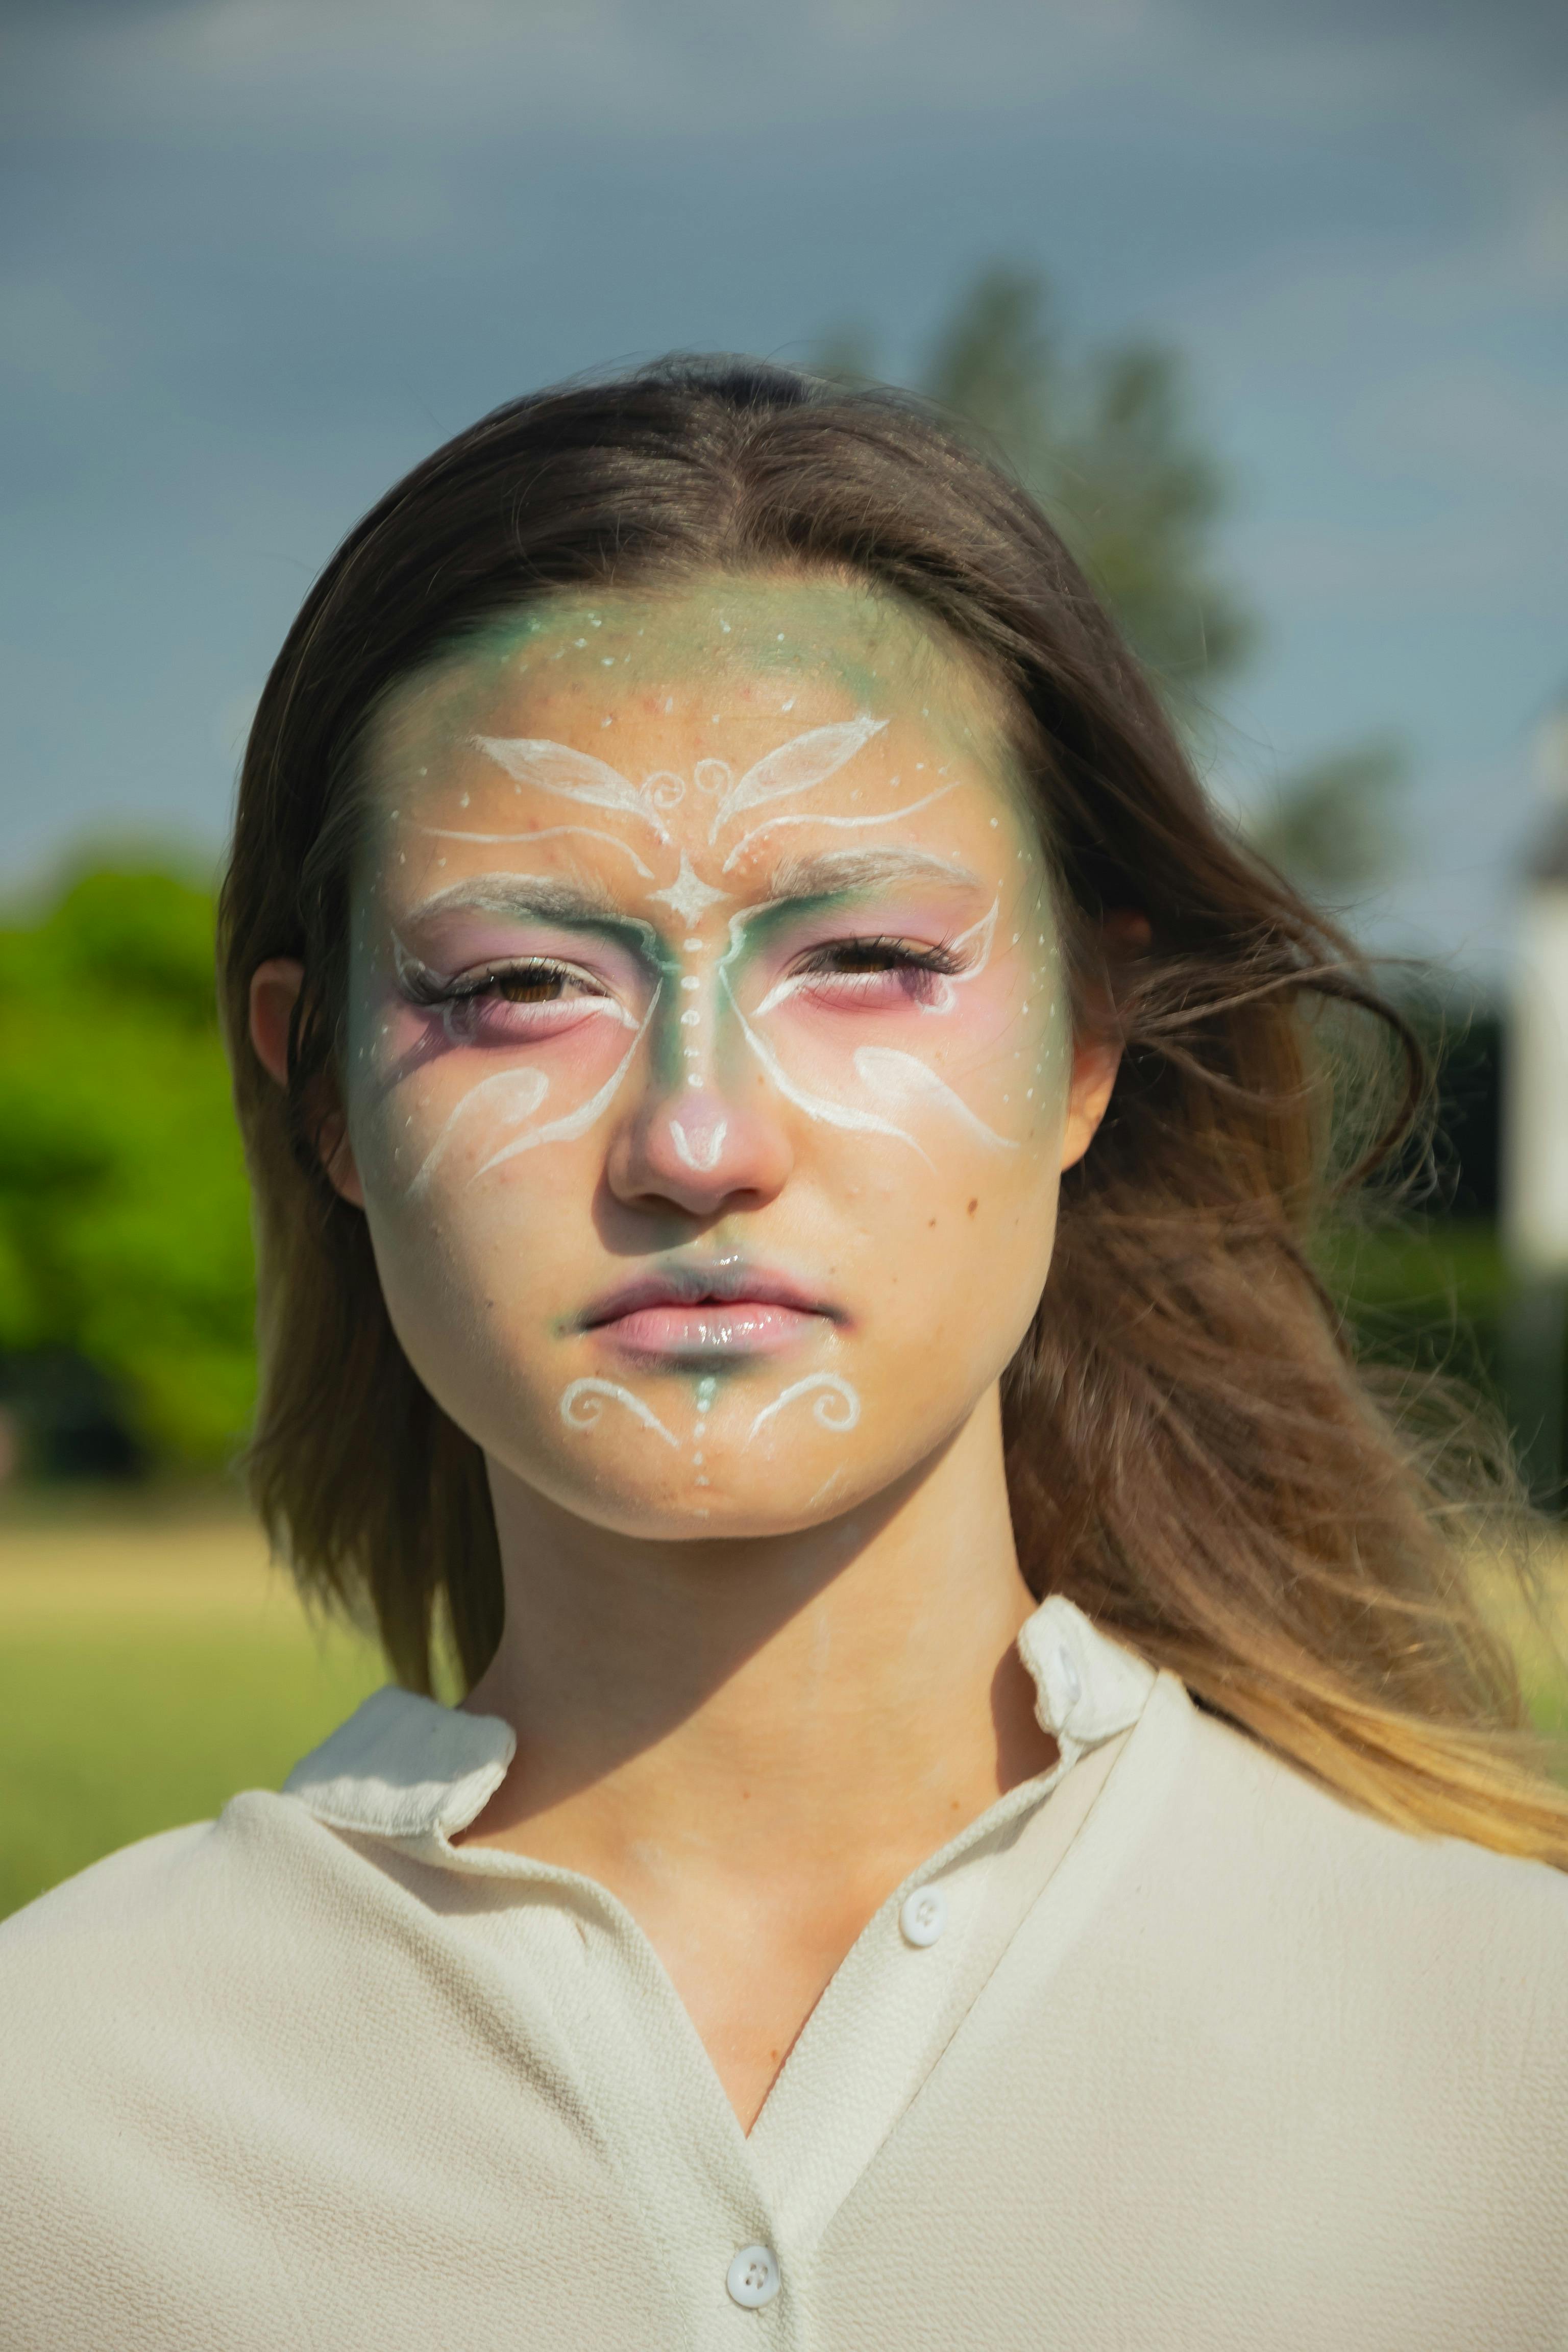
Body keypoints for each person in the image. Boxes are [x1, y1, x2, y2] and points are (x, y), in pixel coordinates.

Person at [2, 359, 1565, 2350]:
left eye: (868, 964)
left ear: (1087, 1045)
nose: (696, 1142)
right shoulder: (51, 2119)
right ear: (321, 1093)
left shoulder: (1520, 2074)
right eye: (517, 988)